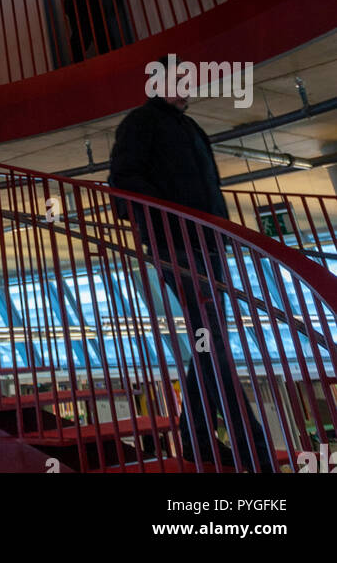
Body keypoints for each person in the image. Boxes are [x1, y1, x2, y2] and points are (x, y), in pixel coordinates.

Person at [108, 61, 274, 472]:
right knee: (211, 338)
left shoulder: (190, 128)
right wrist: (167, 218)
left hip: (206, 245)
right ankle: (250, 447)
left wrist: (216, 230)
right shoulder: (141, 123)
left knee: (207, 340)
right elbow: (124, 179)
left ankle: (196, 440)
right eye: (182, 83)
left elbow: (208, 186)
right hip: (178, 243)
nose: (189, 89)